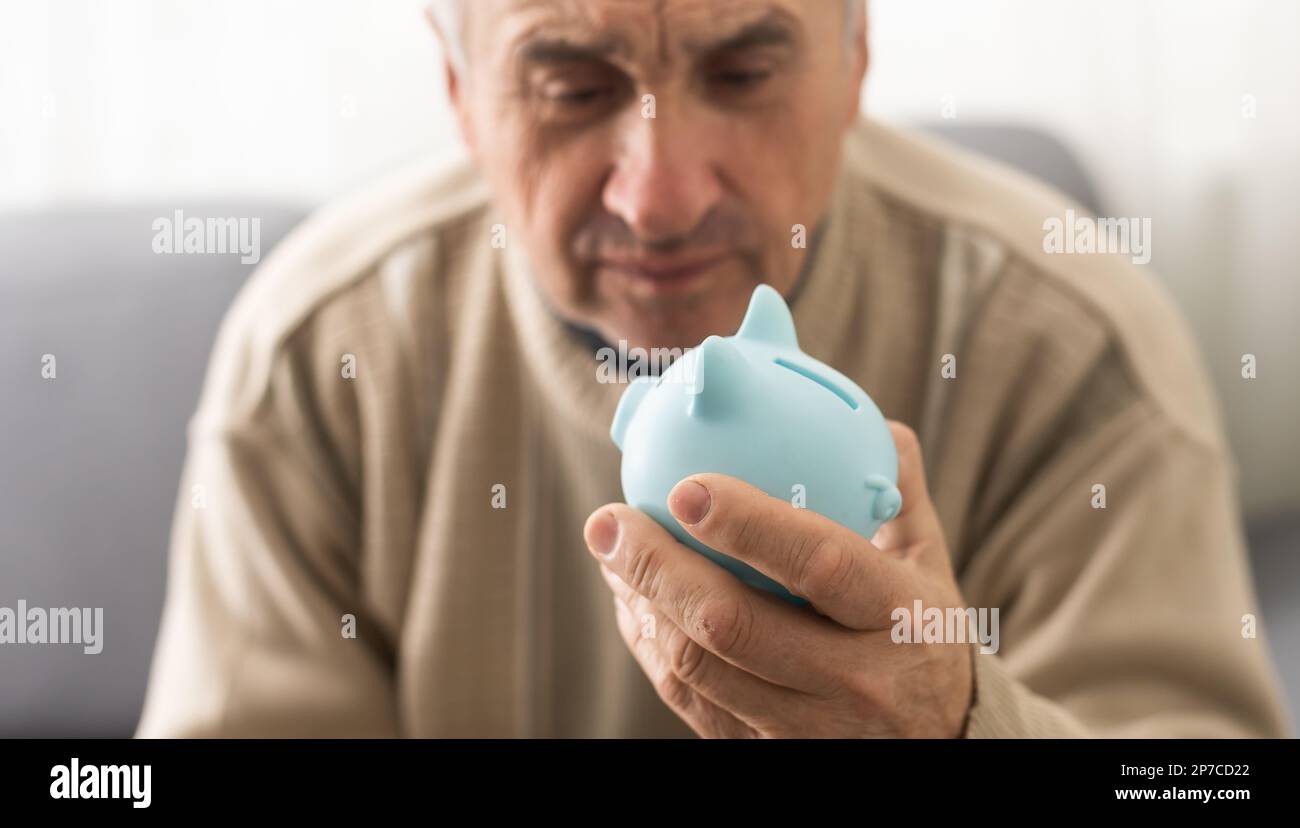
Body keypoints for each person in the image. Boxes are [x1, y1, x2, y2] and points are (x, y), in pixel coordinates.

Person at [136, 0, 1290, 737]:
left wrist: (961, 724)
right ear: (459, 96)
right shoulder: (312, 363)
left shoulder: (1074, 342)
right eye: (573, 86)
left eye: (742, 73)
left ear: (856, 62)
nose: (661, 194)